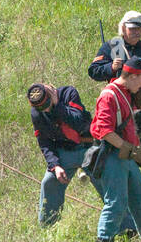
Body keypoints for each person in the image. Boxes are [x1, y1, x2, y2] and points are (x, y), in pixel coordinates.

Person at [89, 11, 141, 192]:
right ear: (123, 28)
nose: (136, 32)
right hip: (123, 109)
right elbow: (93, 71)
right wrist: (111, 67)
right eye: (132, 29)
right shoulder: (111, 46)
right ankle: (130, 190)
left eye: (139, 29)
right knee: (127, 153)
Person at [90, 55, 141, 242]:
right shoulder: (109, 95)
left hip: (127, 155)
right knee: (116, 202)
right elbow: (104, 131)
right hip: (113, 155)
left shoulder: (129, 92)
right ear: (133, 76)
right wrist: (133, 151)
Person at [29, 82, 97, 226]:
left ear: (52, 94)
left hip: (88, 147)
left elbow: (78, 122)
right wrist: (55, 166)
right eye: (41, 108)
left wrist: (58, 105)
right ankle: (48, 226)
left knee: (108, 182)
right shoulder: (36, 113)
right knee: (49, 182)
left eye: (47, 104)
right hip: (64, 152)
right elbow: (44, 141)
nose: (46, 110)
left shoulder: (68, 93)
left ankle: (127, 226)